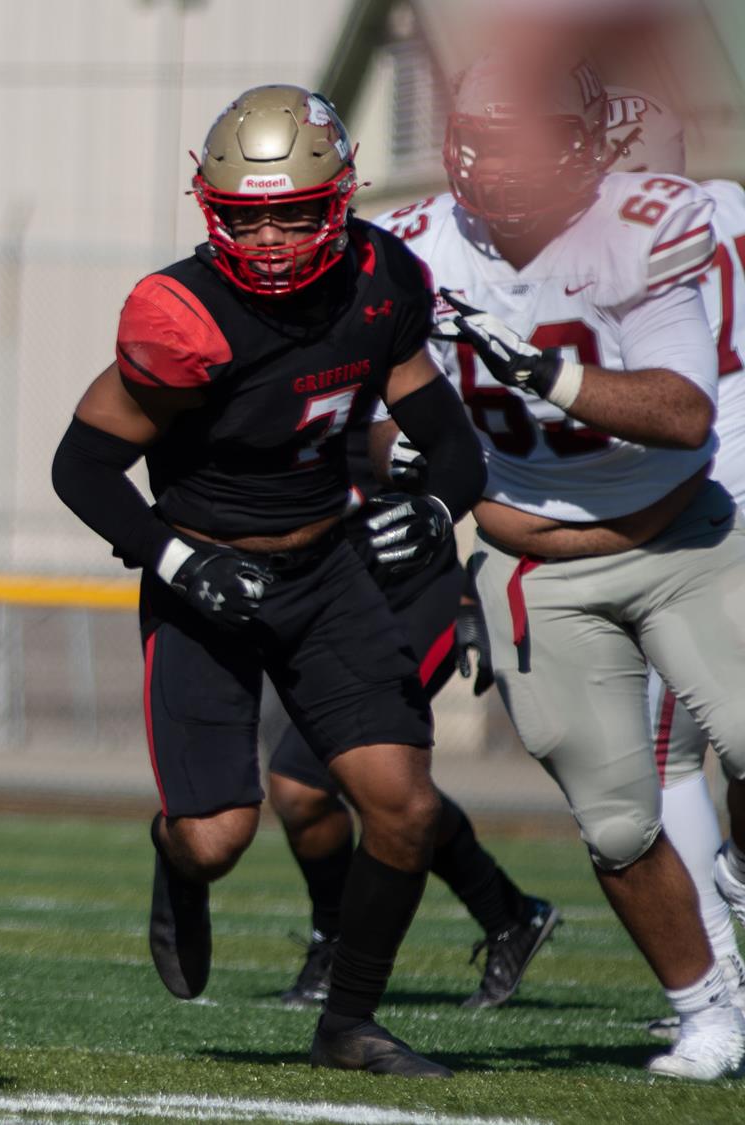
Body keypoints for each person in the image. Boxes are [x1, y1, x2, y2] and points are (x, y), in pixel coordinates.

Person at [52, 85, 485, 1077]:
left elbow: (449, 447)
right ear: (211, 211)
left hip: (324, 570)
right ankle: (174, 862)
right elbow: (78, 467)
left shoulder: (379, 279)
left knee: (404, 807)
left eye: (294, 210)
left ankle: (347, 1021)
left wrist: (427, 510)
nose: (277, 238)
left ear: (338, 196)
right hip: (204, 581)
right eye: (250, 218)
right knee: (213, 840)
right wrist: (176, 559)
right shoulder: (180, 313)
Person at [390, 54, 745, 1079]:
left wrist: (548, 374)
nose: (497, 167)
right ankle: (703, 1008)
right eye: (479, 140)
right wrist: (412, 469)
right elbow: (369, 421)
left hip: (681, 535)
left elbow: (680, 412)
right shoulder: (412, 250)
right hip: (530, 563)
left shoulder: (649, 226)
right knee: (616, 820)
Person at [259, 419, 557, 1010]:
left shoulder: (390, 350)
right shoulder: (266, 357)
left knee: (308, 782)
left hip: (415, 599)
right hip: (333, 603)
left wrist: (476, 588)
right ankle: (511, 915)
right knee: (338, 791)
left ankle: (346, 939)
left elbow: (473, 461)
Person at [594, 86, 745, 1039]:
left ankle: (721, 970)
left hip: (687, 502)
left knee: (668, 755)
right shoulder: (729, 203)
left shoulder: (605, 239)